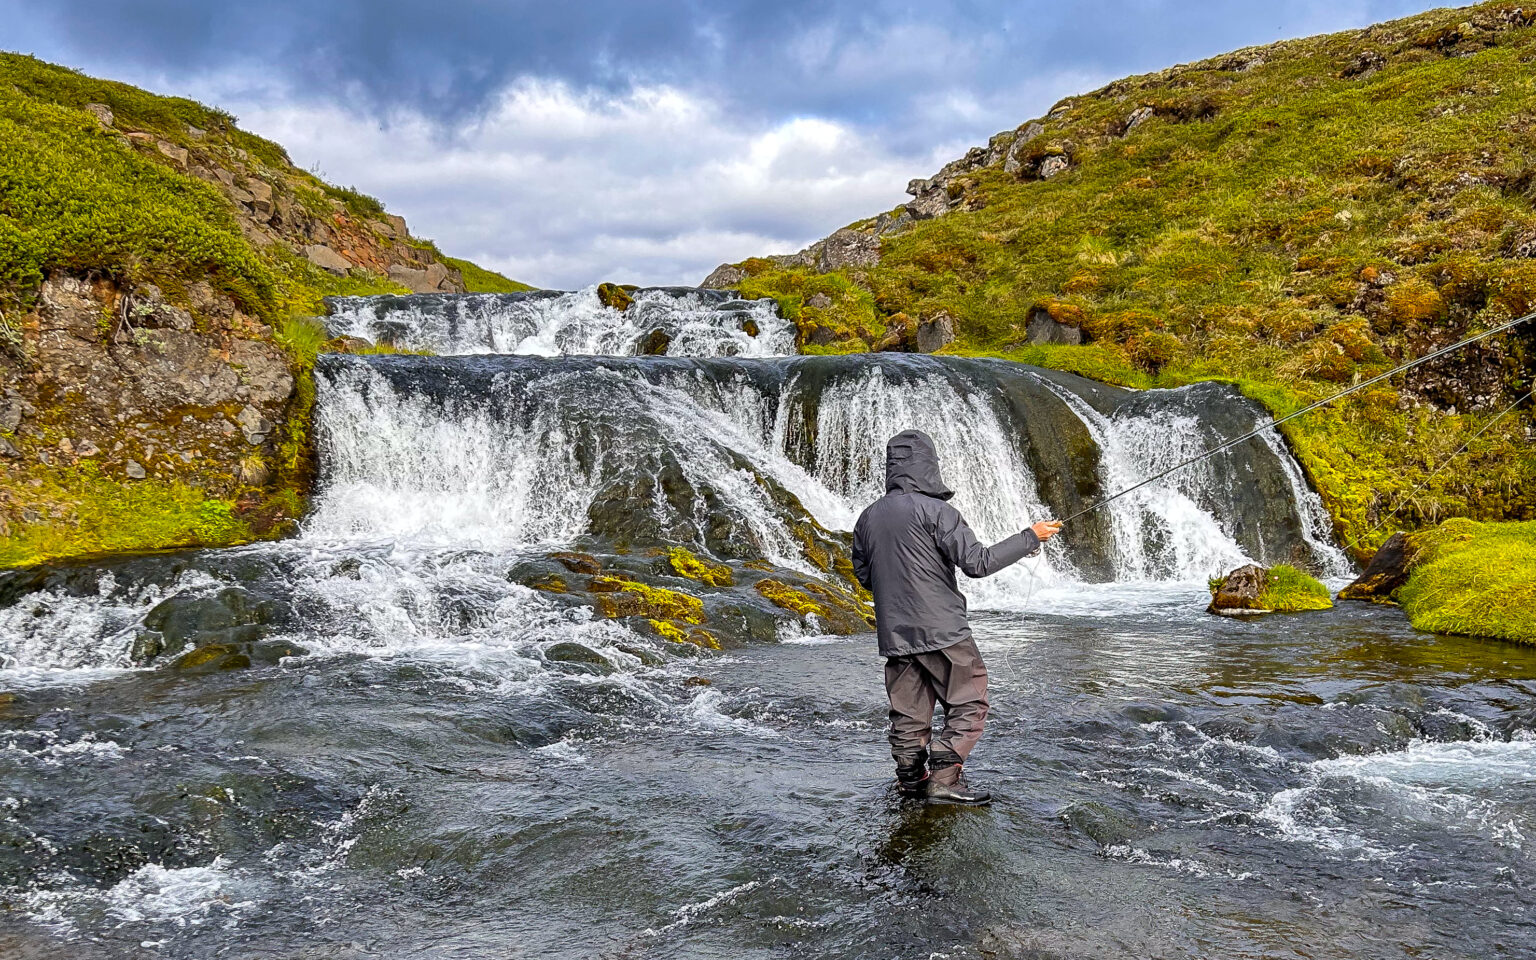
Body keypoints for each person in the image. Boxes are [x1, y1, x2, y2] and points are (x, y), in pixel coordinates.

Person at [851, 430, 1063, 805]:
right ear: (928, 466)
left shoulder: (867, 518)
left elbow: (865, 576)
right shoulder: (937, 511)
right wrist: (1029, 537)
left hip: (895, 634)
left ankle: (911, 781)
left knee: (908, 711)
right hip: (943, 629)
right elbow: (977, 564)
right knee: (969, 701)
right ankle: (945, 779)